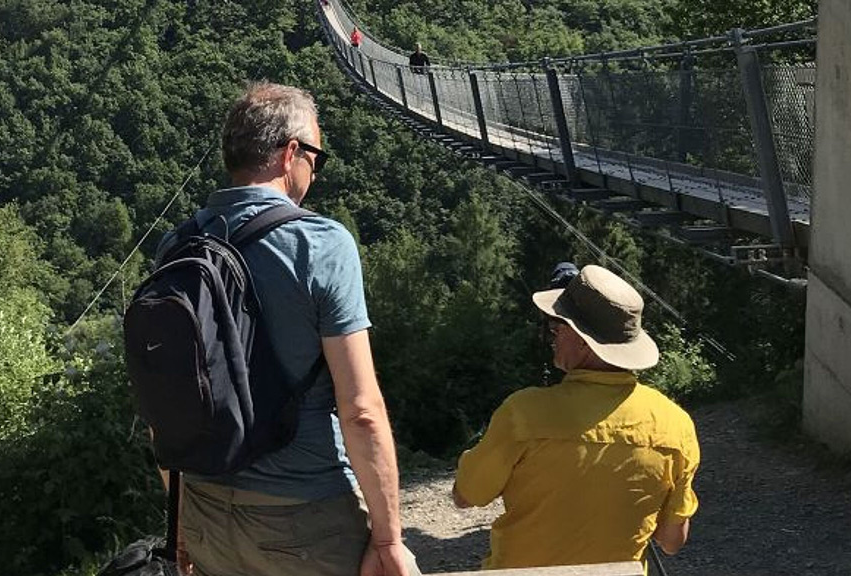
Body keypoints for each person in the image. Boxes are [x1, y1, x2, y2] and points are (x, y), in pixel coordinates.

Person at [157, 83, 418, 576]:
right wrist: (388, 539)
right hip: (304, 519)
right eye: (316, 160)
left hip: (207, 510)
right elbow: (361, 410)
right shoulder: (320, 245)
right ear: (290, 153)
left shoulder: (177, 247)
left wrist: (184, 520)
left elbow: (164, 408)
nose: (314, 174)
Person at [452, 265, 699, 571]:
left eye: (557, 329)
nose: (552, 338)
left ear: (584, 341)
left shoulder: (523, 413)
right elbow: (672, 541)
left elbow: (465, 495)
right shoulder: (676, 425)